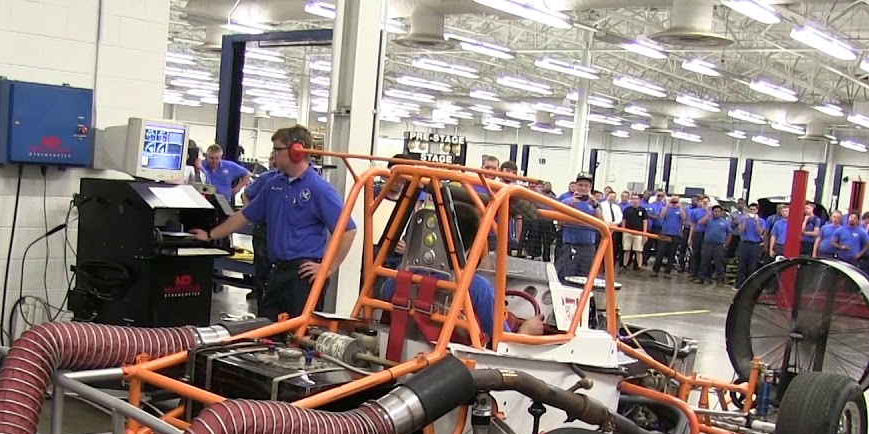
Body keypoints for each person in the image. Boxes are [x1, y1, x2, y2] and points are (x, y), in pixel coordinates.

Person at [192, 125, 357, 321]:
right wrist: (210, 235)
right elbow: (244, 216)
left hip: (303, 277)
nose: (273, 155)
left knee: (297, 339)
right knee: (267, 331)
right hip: (277, 272)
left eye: (277, 149)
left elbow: (348, 230)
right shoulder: (274, 185)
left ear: (297, 151)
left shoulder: (319, 189)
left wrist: (328, 268)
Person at [377, 200, 546, 338]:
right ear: (473, 244)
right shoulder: (478, 288)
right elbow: (502, 343)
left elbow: (385, 299)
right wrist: (526, 332)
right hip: (456, 366)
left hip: (401, 349)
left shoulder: (402, 274)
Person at [242, 157, 280, 302]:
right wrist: (251, 213)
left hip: (281, 233)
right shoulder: (266, 179)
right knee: (262, 273)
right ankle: (262, 308)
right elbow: (247, 194)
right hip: (263, 231)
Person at [554, 172, 600, 279]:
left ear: (590, 187)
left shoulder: (595, 204)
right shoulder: (566, 202)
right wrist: (572, 205)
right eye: (580, 185)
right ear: (575, 186)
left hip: (588, 246)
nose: (583, 188)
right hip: (570, 244)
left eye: (586, 186)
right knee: (566, 275)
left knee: (585, 277)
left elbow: (601, 223)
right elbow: (560, 223)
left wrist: (595, 206)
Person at [695, 205, 731, 286]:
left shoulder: (725, 222)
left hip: (719, 246)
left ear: (721, 212)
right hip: (707, 244)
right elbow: (700, 223)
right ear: (712, 212)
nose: (717, 213)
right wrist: (708, 215)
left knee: (719, 263)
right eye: (715, 211)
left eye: (719, 211)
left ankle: (720, 279)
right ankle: (702, 277)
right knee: (704, 262)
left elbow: (729, 233)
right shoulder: (709, 220)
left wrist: (726, 244)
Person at [735, 203, 765, 289]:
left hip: (755, 244)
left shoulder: (761, 221)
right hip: (744, 243)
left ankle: (749, 286)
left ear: (757, 211)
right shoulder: (743, 218)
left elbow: (760, 233)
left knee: (752, 266)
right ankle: (738, 284)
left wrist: (756, 222)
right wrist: (745, 221)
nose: (752, 211)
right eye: (751, 210)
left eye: (754, 210)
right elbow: (741, 231)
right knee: (741, 265)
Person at [654, 196, 685, 278]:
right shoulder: (666, 208)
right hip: (664, 233)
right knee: (660, 253)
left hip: (675, 234)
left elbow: (684, 218)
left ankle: (668, 271)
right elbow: (661, 215)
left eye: (675, 201)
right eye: (673, 201)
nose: (674, 203)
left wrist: (680, 206)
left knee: (671, 254)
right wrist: (668, 205)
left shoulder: (680, 209)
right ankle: (655, 270)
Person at [620, 196, 650, 272]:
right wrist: (623, 231)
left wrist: (644, 233)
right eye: (633, 199)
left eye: (636, 199)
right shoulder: (627, 209)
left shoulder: (642, 210)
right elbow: (624, 220)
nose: (634, 200)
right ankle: (624, 266)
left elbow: (645, 221)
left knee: (639, 251)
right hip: (628, 233)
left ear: (639, 200)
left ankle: (639, 267)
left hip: (639, 233)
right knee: (626, 250)